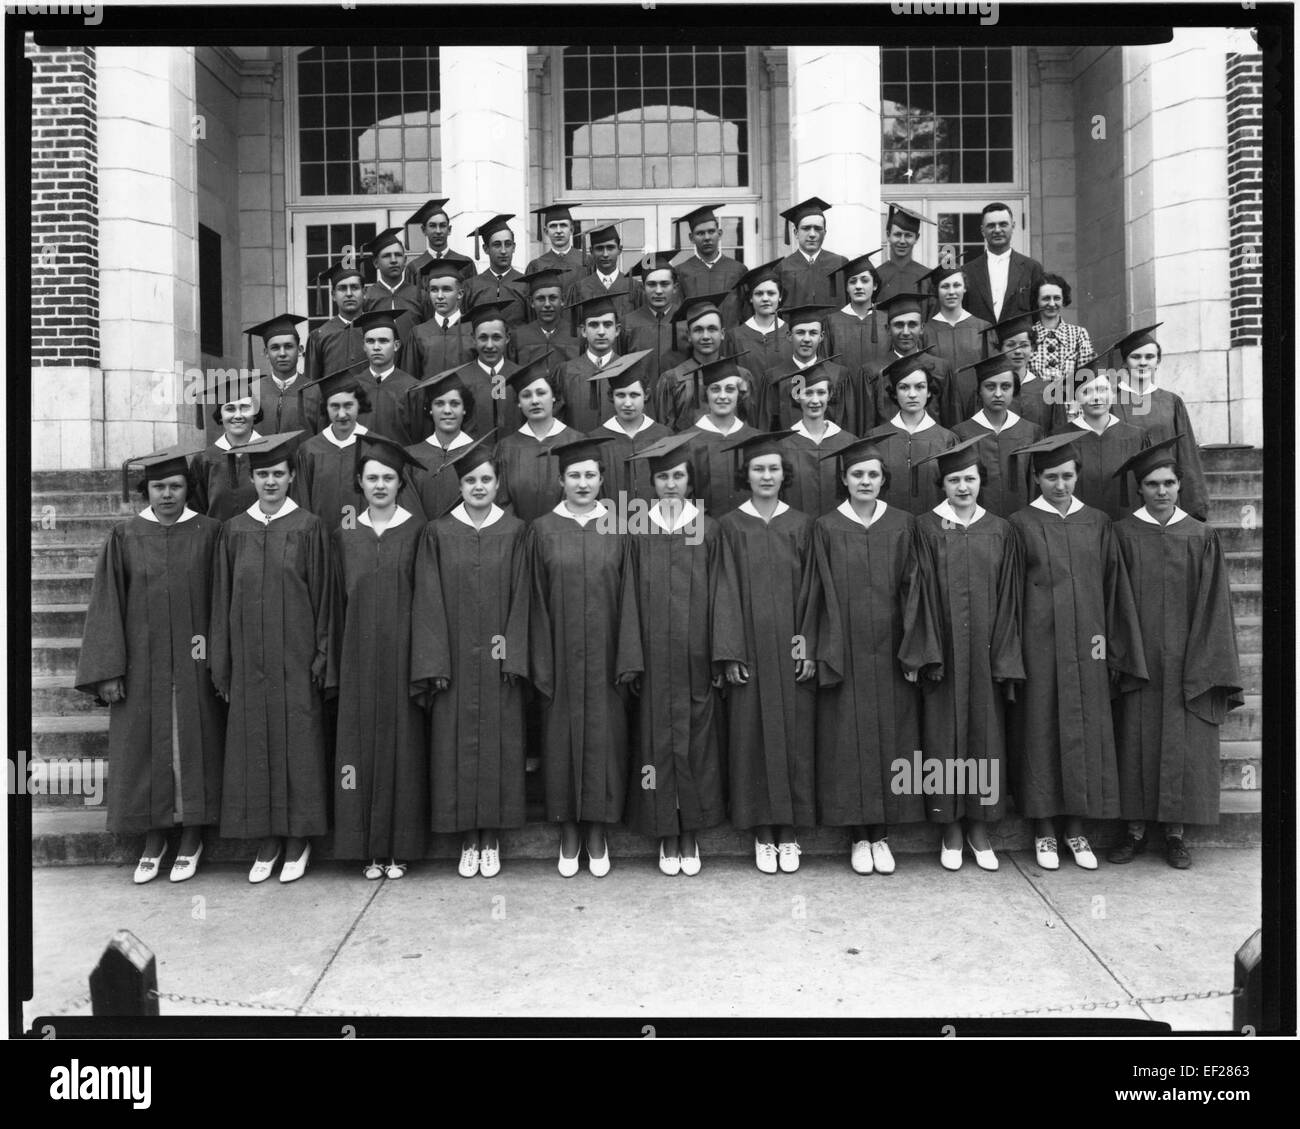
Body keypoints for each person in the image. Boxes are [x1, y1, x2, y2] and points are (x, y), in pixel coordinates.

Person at [76, 440, 225, 883]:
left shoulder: (210, 532)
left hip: (196, 664)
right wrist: (109, 670)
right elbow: (106, 606)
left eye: (175, 486)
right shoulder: (125, 536)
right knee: (146, 748)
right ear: (148, 491)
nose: (167, 494)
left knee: (194, 744)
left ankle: (193, 834)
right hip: (142, 667)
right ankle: (155, 838)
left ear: (187, 488)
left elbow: (223, 601)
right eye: (159, 486)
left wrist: (221, 662)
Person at [1007, 432, 1147, 871]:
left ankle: (1076, 828)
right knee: (1040, 732)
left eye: (1068, 476)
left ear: (1078, 476)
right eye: (1051, 476)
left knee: (1084, 735)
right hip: (1039, 648)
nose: (1061, 484)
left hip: (1089, 647)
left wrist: (1113, 650)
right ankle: (1045, 831)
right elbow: (1009, 595)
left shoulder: (1099, 522)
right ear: (1036, 478)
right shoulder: (1020, 524)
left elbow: (1113, 592)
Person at [1107, 438, 1243, 869]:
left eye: (1168, 482)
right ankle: (1133, 831)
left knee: (1182, 744)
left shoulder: (1201, 536)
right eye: (1152, 484)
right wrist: (1126, 654)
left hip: (1189, 658)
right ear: (1140, 489)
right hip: (1140, 659)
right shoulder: (1123, 534)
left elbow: (1215, 607)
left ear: (1180, 486)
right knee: (1135, 741)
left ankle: (1175, 834)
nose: (1161, 491)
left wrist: (1202, 658)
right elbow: (1114, 601)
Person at [803, 431, 932, 874]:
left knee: (890, 740)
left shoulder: (902, 524)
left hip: (892, 650)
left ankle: (882, 834)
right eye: (857, 473)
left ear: (883, 479)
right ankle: (858, 837)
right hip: (846, 650)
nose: (864, 480)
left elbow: (916, 590)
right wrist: (820, 650)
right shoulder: (826, 526)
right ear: (843, 477)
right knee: (847, 742)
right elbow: (816, 594)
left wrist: (914, 651)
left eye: (872, 474)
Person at [617, 433, 745, 876]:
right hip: (652, 659)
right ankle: (663, 833)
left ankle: (689, 831)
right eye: (663, 477)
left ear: (690, 482)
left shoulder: (709, 527)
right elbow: (627, 597)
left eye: (678, 476)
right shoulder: (636, 528)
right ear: (653, 483)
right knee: (655, 745)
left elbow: (723, 594)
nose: (671, 484)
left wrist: (720, 655)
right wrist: (630, 658)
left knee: (698, 746)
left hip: (695, 659)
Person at [209, 432, 331, 884]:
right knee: (254, 746)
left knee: (298, 744)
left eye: (278, 473)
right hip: (249, 662)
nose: (271, 481)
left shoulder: (310, 527)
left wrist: (322, 656)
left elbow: (324, 598)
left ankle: (298, 837)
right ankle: (266, 838)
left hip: (295, 660)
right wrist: (221, 662)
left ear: (292, 476)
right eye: (263, 474)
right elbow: (221, 600)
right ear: (252, 479)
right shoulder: (234, 531)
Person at [413, 435, 531, 878]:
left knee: (500, 745)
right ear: (459, 487)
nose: (479, 487)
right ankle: (468, 836)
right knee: (455, 746)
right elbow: (428, 602)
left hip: (501, 665)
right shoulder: (438, 533)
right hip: (455, 665)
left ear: (498, 485)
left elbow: (524, 599)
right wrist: (435, 664)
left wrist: (514, 658)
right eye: (470, 481)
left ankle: (492, 836)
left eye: (486, 479)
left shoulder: (516, 532)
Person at [909, 436, 1024, 872]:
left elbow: (1011, 598)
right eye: (954, 479)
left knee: (985, 738)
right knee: (943, 739)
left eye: (969, 478)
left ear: (981, 481)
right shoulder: (924, 528)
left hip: (987, 653)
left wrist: (1005, 656)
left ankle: (980, 824)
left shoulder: (1000, 530)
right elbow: (916, 595)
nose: (962, 486)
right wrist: (927, 654)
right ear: (942, 484)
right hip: (944, 655)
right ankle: (950, 826)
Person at [525, 435, 630, 876]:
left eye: (590, 475)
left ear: (602, 479)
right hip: (561, 656)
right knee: (560, 738)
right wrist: (541, 660)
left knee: (605, 739)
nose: (583, 483)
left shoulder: (623, 525)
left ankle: (597, 831)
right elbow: (532, 598)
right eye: (574, 476)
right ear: (561, 481)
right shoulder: (541, 529)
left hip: (608, 654)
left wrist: (629, 655)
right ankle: (567, 829)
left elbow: (632, 595)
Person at [716, 431, 817, 873]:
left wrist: (805, 648)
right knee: (752, 738)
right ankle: (762, 831)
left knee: (793, 739)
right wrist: (731, 652)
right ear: (746, 475)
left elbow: (814, 593)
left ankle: (789, 832)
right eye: (758, 468)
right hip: (750, 652)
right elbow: (724, 592)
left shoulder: (802, 525)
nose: (766, 475)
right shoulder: (729, 526)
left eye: (774, 468)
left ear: (784, 474)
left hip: (790, 651)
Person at [328, 434, 428, 880]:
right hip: (356, 655)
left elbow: (428, 601)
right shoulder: (345, 533)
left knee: (403, 750)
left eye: (388, 477)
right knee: (358, 750)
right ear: (359, 482)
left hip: (404, 654)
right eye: (373, 478)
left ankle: (398, 847)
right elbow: (333, 602)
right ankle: (366, 848)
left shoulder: (417, 531)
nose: (381, 485)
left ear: (400, 482)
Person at [1107, 323, 1210, 521]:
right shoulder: (1111, 402)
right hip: (1126, 495)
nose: (1143, 363)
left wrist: (1195, 503)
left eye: (1149, 357)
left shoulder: (1171, 402)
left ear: (1158, 361)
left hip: (1165, 492)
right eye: (1135, 357)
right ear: (1125, 362)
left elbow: (1186, 453)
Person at [952, 353, 1043, 518]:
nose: (998, 394)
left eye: (1006, 386)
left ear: (1014, 389)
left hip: (1024, 522)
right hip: (978, 526)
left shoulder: (1031, 432)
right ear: (979, 390)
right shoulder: (961, 434)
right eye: (990, 386)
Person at [1053, 365, 1149, 521]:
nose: (1096, 397)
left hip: (1127, 525)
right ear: (1076, 398)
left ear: (1113, 393)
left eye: (1102, 390)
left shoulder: (1136, 437)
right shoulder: (1062, 438)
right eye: (1086, 392)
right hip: (1077, 526)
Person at [495, 352, 580, 523]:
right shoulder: (505, 448)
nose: (534, 401)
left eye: (541, 393)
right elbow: (501, 503)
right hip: (519, 539)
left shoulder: (576, 441)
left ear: (554, 396)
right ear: (519, 403)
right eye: (526, 395)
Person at [656, 292, 757, 432]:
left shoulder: (741, 376)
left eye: (712, 329)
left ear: (722, 334)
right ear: (689, 336)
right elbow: (666, 432)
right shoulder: (672, 380)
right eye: (698, 330)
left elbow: (749, 427)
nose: (705, 336)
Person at [874, 348, 958, 515]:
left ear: (928, 392)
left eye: (920, 387)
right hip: (888, 531)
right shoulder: (876, 438)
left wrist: (947, 532)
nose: (912, 394)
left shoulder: (947, 439)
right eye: (904, 387)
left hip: (934, 530)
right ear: (894, 394)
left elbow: (954, 498)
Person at [290, 368, 375, 529]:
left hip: (365, 544)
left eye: (348, 405)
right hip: (320, 542)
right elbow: (301, 506)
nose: (342, 414)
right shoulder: (308, 451)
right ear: (325, 408)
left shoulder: (375, 447)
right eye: (335, 406)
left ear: (359, 404)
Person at [682, 353, 763, 517]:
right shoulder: (687, 442)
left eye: (730, 389)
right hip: (703, 533)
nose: (723, 396)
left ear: (739, 394)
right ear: (706, 394)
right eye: (715, 389)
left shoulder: (756, 440)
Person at [864, 291, 960, 429]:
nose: (905, 332)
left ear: (922, 328)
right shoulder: (871, 372)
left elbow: (951, 423)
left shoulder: (941, 368)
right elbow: (867, 427)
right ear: (887, 329)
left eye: (912, 324)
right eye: (898, 325)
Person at [586, 352, 672, 505]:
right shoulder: (596, 441)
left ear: (646, 395)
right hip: (610, 523)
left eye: (634, 395)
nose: (627, 403)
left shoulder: (663, 436)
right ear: (611, 397)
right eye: (621, 395)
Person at [775, 359, 857, 517]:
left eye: (821, 393)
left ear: (830, 395)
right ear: (797, 396)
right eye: (808, 392)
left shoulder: (848, 443)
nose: (814, 400)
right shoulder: (783, 445)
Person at [404, 369, 478, 521]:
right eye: (439, 403)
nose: (447, 411)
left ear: (464, 409)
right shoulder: (411, 458)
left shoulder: (480, 455)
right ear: (430, 409)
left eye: (455, 404)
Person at [189, 372, 264, 522]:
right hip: (217, 542)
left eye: (244, 407)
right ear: (220, 415)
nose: (238, 415)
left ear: (255, 412)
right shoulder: (204, 460)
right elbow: (197, 513)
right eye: (230, 409)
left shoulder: (271, 452)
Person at [769, 306, 857, 431]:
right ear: (789, 336)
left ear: (821, 337)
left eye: (813, 333)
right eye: (800, 332)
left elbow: (847, 428)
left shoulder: (839, 375)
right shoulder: (774, 377)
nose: (806, 339)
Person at [960, 202, 1046, 325]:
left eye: (1003, 224)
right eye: (991, 226)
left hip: (1018, 342)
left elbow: (1038, 314)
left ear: (1013, 226)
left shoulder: (1032, 268)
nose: (997, 230)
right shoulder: (967, 271)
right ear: (982, 230)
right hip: (980, 342)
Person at [924, 261, 991, 418]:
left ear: (965, 288)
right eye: (945, 286)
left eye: (956, 285)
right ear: (936, 290)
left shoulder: (983, 328)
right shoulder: (925, 332)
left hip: (978, 408)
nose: (951, 291)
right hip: (938, 410)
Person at [726, 260, 794, 414]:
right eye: (758, 293)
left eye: (771, 293)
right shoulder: (735, 337)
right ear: (750, 298)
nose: (765, 298)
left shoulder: (792, 334)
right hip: (748, 415)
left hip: (786, 416)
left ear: (780, 297)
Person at [555, 293, 629, 434]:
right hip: (578, 452)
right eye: (594, 325)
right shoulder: (565, 372)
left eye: (607, 325)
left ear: (617, 330)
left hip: (618, 452)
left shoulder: (629, 368)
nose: (601, 332)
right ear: (583, 331)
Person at [622, 251, 689, 394]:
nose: (658, 291)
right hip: (641, 402)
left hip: (679, 398)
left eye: (665, 284)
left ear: (675, 287)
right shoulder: (628, 323)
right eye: (651, 284)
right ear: (643, 288)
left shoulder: (687, 320)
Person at [353, 309, 422, 446]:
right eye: (370, 341)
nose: (376, 347)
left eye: (383, 341)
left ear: (396, 345)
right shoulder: (352, 387)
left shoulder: (413, 388)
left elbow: (418, 439)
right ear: (364, 347)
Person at [673, 204, 747, 326]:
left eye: (711, 231)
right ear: (691, 238)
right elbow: (677, 314)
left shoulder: (738, 270)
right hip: (694, 341)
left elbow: (746, 313)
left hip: (731, 340)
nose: (707, 237)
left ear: (720, 233)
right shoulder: (681, 272)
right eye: (700, 233)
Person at [983, 309, 1053, 434]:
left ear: (1032, 348)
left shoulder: (1048, 391)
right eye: (1010, 345)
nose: (1018, 351)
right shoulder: (987, 392)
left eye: (1024, 345)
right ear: (1000, 349)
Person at [246, 314, 318, 434]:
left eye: (288, 346)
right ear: (266, 353)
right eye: (275, 348)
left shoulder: (314, 390)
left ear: (300, 350)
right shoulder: (253, 390)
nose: (282, 353)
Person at [826, 251, 890, 382]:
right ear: (846, 288)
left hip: (879, 395)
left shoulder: (887, 320)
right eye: (852, 282)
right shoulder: (832, 322)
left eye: (865, 280)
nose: (858, 286)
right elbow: (826, 366)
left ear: (875, 285)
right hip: (843, 396)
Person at [406, 258, 474, 381]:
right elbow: (410, 381)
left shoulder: (473, 330)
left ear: (460, 294)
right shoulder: (418, 333)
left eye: (446, 289)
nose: (440, 296)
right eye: (434, 290)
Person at [566, 222, 644, 324]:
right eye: (599, 248)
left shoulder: (635, 288)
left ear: (619, 250)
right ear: (591, 251)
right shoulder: (579, 289)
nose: (605, 254)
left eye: (610, 248)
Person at [776, 197, 847, 307]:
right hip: (796, 324)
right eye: (806, 228)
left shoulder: (840, 264)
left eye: (818, 228)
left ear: (825, 233)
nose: (812, 234)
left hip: (834, 324)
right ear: (795, 233)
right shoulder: (782, 268)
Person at [304, 259, 366, 384]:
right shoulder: (320, 336)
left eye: (354, 287)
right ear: (333, 295)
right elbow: (311, 386)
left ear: (364, 293)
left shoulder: (376, 329)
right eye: (342, 288)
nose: (349, 294)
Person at [464, 214, 530, 329]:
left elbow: (533, 326)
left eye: (508, 244)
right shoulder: (471, 286)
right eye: (497, 245)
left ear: (514, 247)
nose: (503, 251)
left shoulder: (525, 285)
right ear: (486, 249)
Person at [402, 198, 476, 301]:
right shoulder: (414, 268)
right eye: (432, 226)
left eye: (442, 226)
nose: (438, 231)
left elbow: (471, 300)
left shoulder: (466, 263)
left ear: (449, 230)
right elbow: (411, 304)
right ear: (424, 230)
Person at [360, 227, 423, 343]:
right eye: (387, 256)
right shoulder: (367, 297)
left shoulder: (420, 295)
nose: (393, 260)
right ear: (375, 263)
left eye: (398, 255)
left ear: (405, 260)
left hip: (413, 358)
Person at [1030, 273, 1094, 387]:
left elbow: (1087, 379)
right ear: (1037, 301)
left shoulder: (1079, 334)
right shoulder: (1028, 335)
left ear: (1064, 299)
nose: (1052, 303)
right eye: (1046, 298)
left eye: (1057, 298)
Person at [509, 268, 581, 368]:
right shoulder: (518, 336)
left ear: (563, 300)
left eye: (553, 298)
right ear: (531, 302)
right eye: (540, 299)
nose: (547, 304)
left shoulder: (577, 336)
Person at [525, 203, 593, 296]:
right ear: (546, 231)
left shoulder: (587, 261)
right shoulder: (536, 265)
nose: (558, 231)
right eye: (553, 226)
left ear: (572, 229)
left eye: (563, 225)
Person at [875, 202, 935, 306]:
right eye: (897, 234)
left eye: (908, 235)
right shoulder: (876, 276)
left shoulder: (928, 278)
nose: (902, 241)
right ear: (888, 235)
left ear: (917, 238)